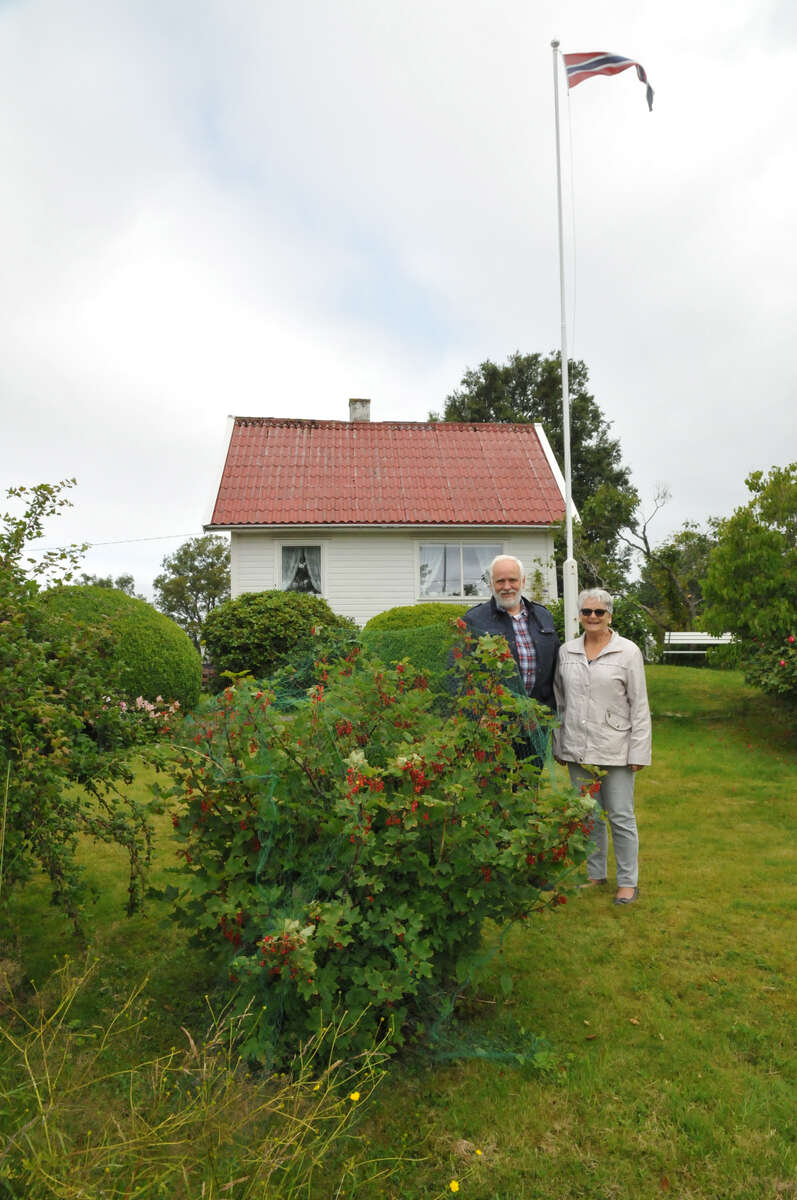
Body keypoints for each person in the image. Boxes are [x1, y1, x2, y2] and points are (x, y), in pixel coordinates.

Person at [553, 589, 651, 906]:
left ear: (609, 615)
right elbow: (560, 702)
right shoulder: (567, 652)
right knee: (588, 816)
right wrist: (559, 743)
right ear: (579, 615)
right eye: (587, 612)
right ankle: (596, 874)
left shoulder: (628, 652)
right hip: (578, 749)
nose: (592, 617)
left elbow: (639, 705)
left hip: (616, 749)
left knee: (620, 816)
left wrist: (639, 752)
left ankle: (628, 882)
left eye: (599, 612)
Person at [462, 555, 559, 755]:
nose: (507, 587)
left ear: (522, 581)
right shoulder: (474, 620)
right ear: (491, 584)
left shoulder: (543, 616)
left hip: (535, 725)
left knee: (531, 774)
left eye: (512, 580)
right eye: (500, 581)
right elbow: (459, 672)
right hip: (494, 725)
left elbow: (556, 668)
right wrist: (477, 715)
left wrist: (548, 711)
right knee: (495, 775)